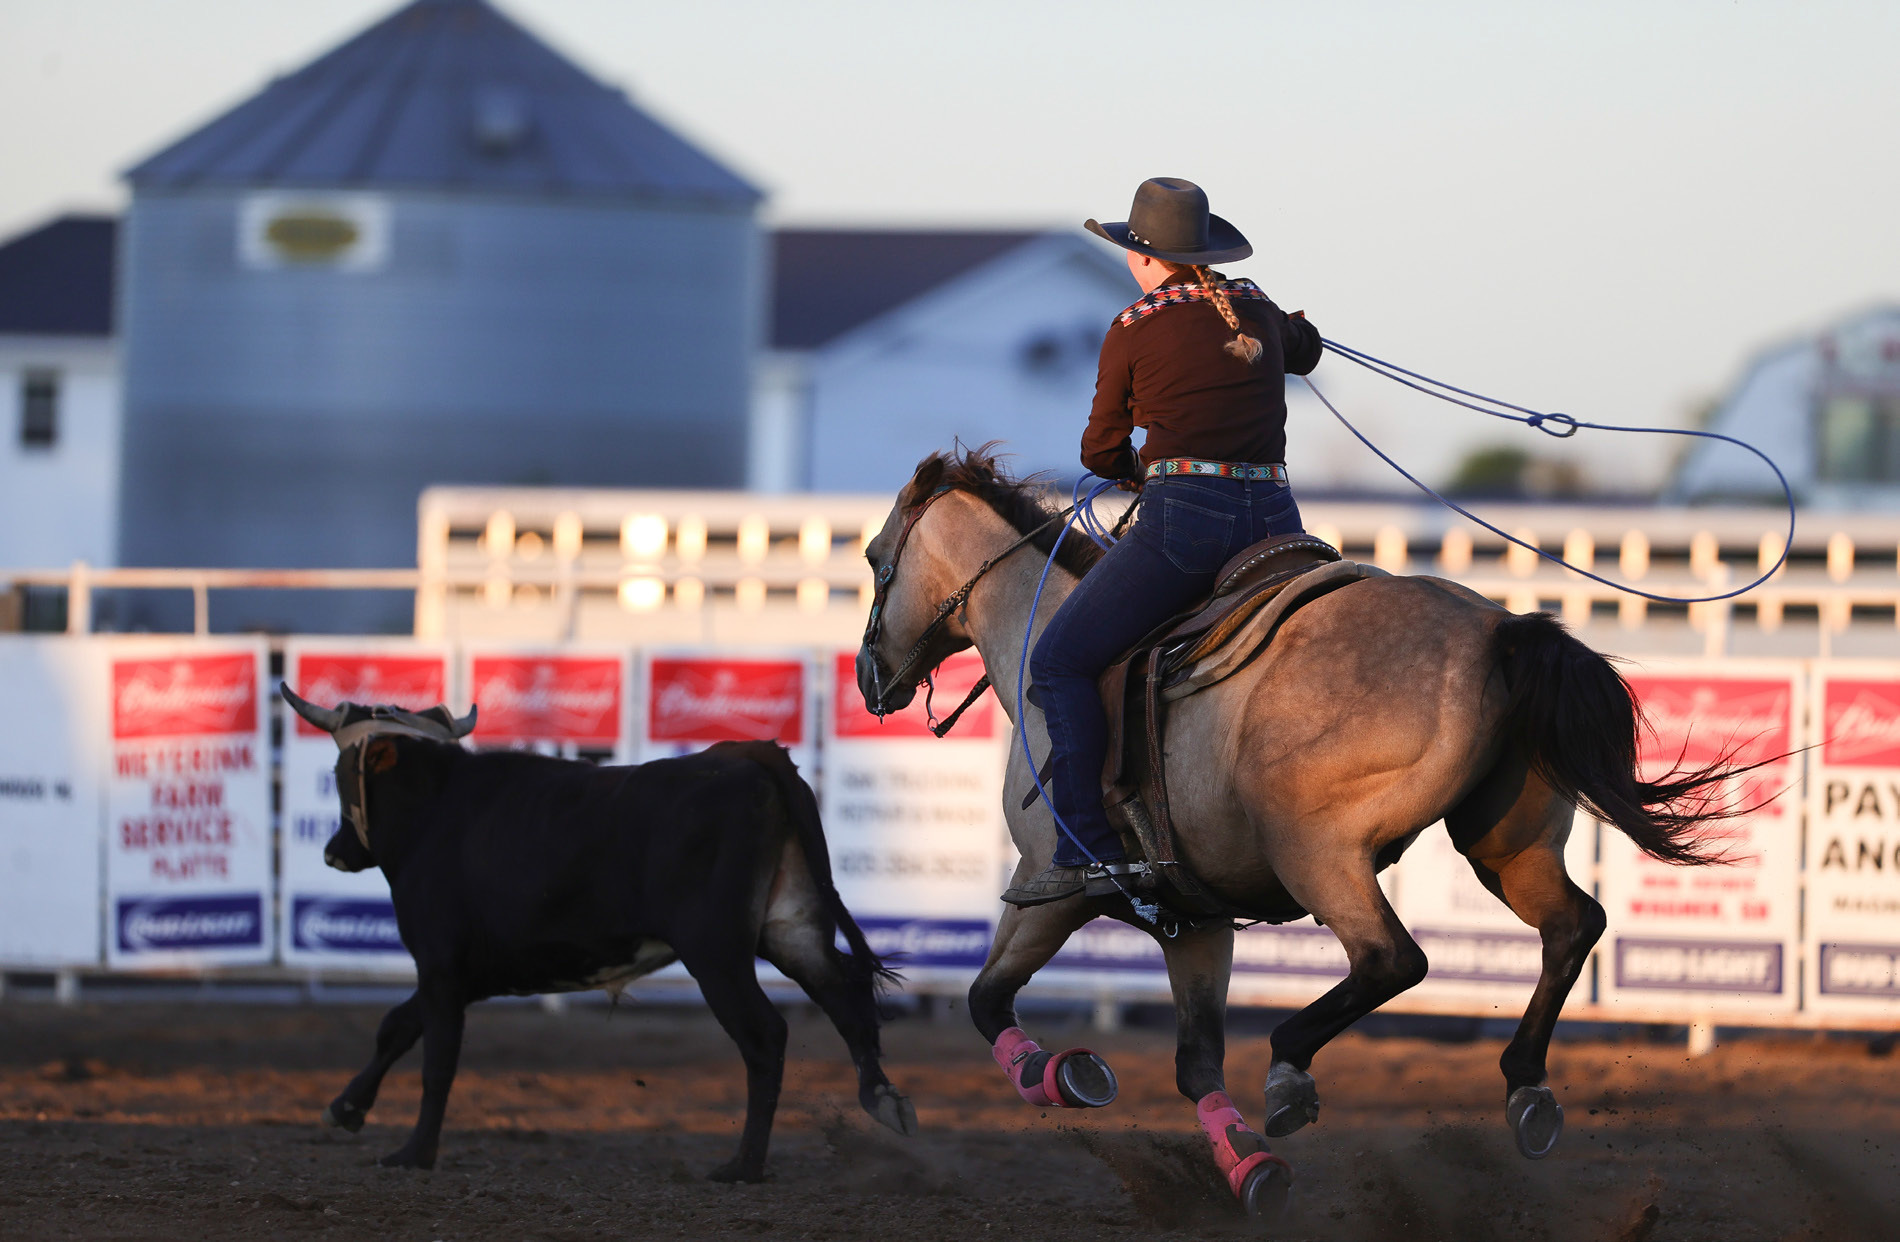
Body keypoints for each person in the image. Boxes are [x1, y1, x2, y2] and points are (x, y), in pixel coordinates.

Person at [1003, 177, 1323, 907]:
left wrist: (1131, 475)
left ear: (1142, 256)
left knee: (1058, 661)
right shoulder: (1258, 308)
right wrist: (1280, 325)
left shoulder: (1135, 326)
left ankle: (1085, 848)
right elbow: (1307, 351)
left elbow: (1099, 448)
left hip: (1187, 522)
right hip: (1276, 521)